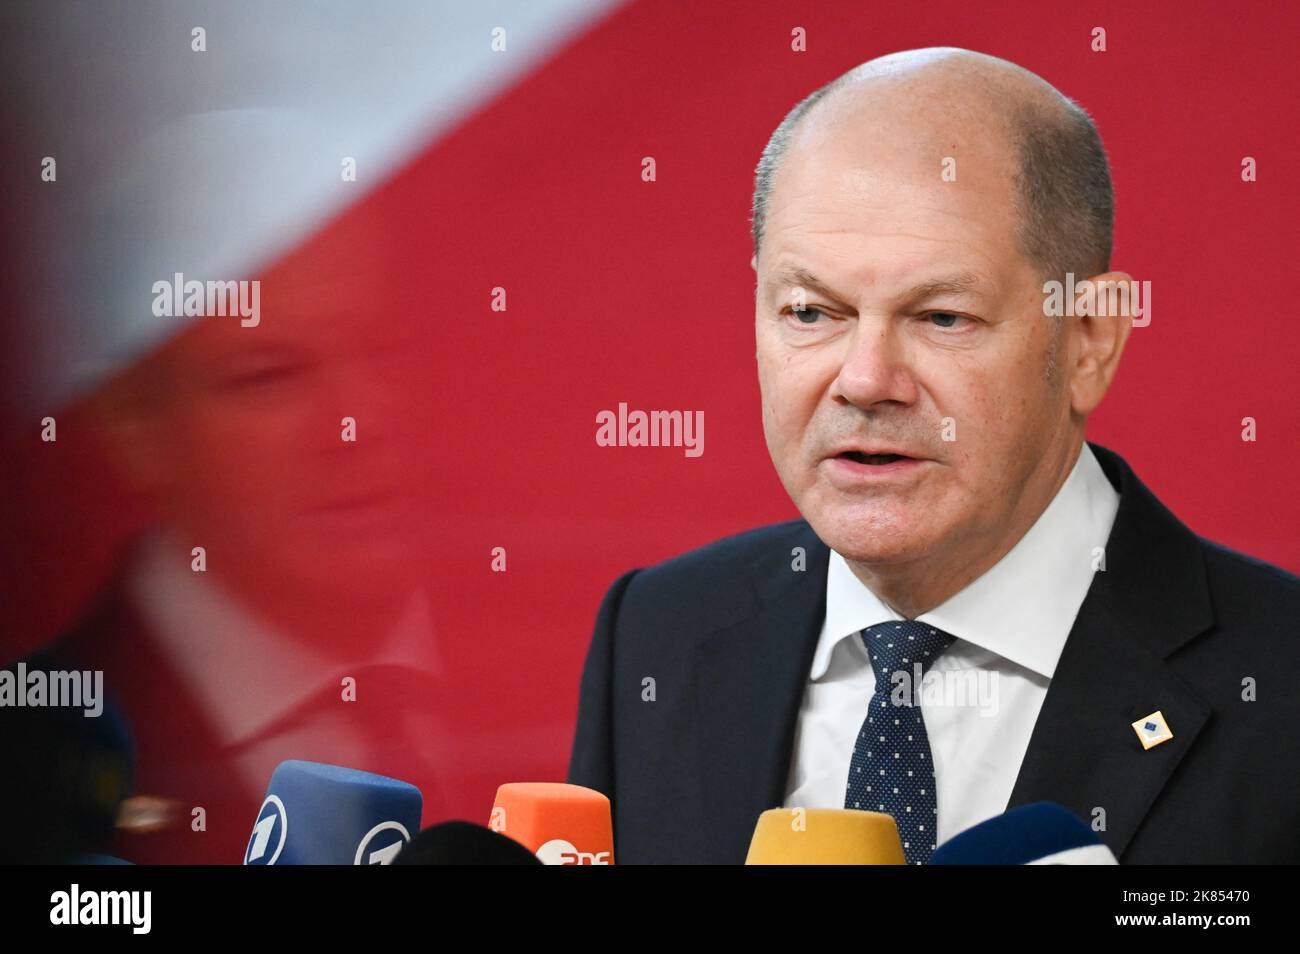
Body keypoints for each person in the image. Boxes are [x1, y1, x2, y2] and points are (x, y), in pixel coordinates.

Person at [567, 47, 1300, 864]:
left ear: (1090, 339)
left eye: (943, 317)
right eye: (811, 311)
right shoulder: (659, 633)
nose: (866, 380)